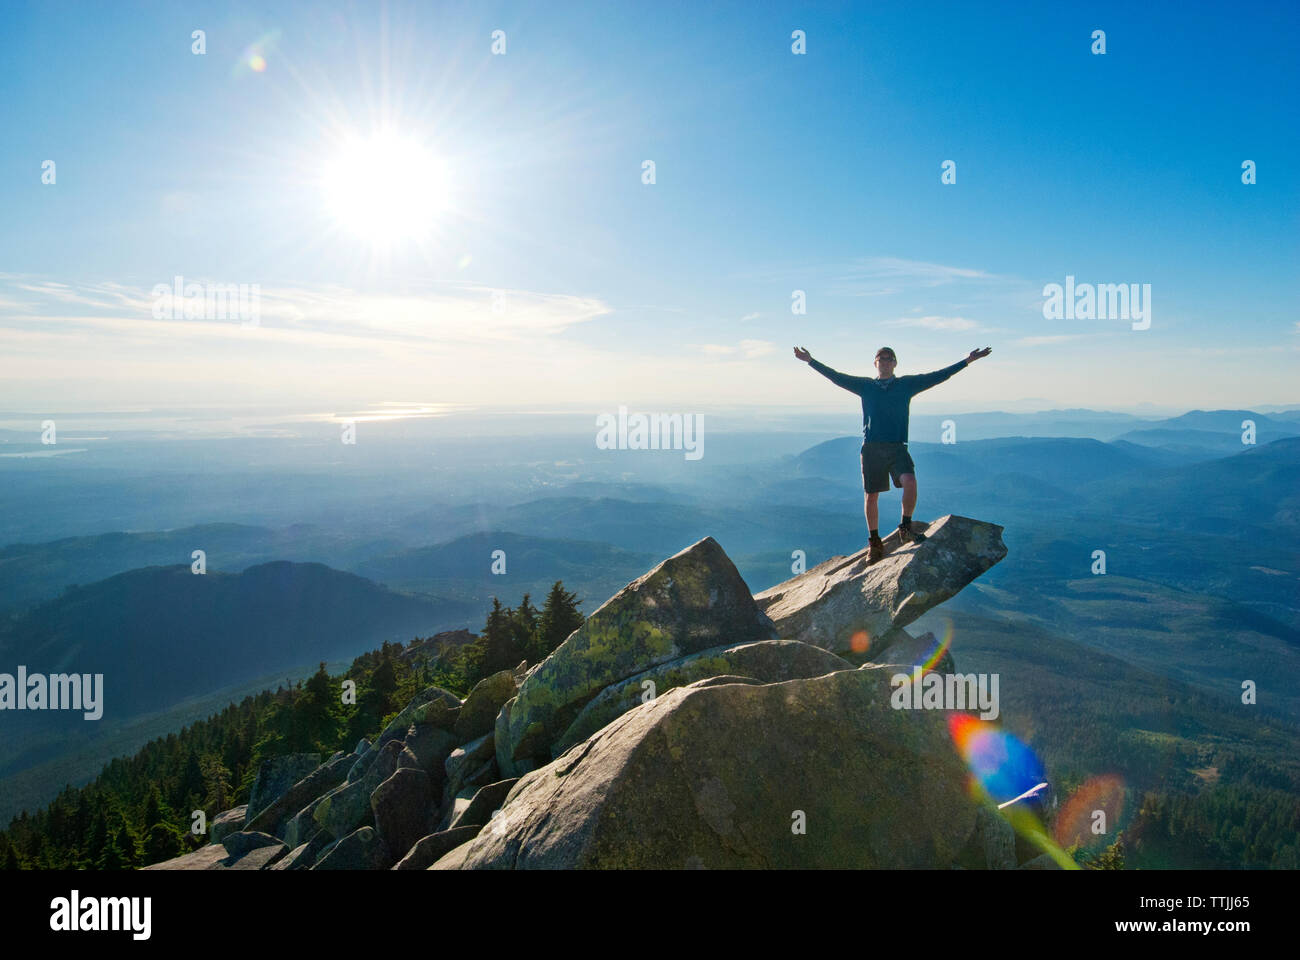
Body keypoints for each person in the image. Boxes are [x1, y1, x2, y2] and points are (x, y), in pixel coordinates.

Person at [793, 344, 991, 563]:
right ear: (875, 363)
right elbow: (836, 377)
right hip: (872, 447)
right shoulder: (866, 386)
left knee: (911, 482)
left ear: (895, 363)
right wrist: (811, 361)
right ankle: (875, 542)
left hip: (897, 446)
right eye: (881, 358)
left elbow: (938, 376)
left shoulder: (906, 385)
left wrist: (967, 361)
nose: (885, 362)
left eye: (889, 358)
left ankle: (905, 527)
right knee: (871, 496)